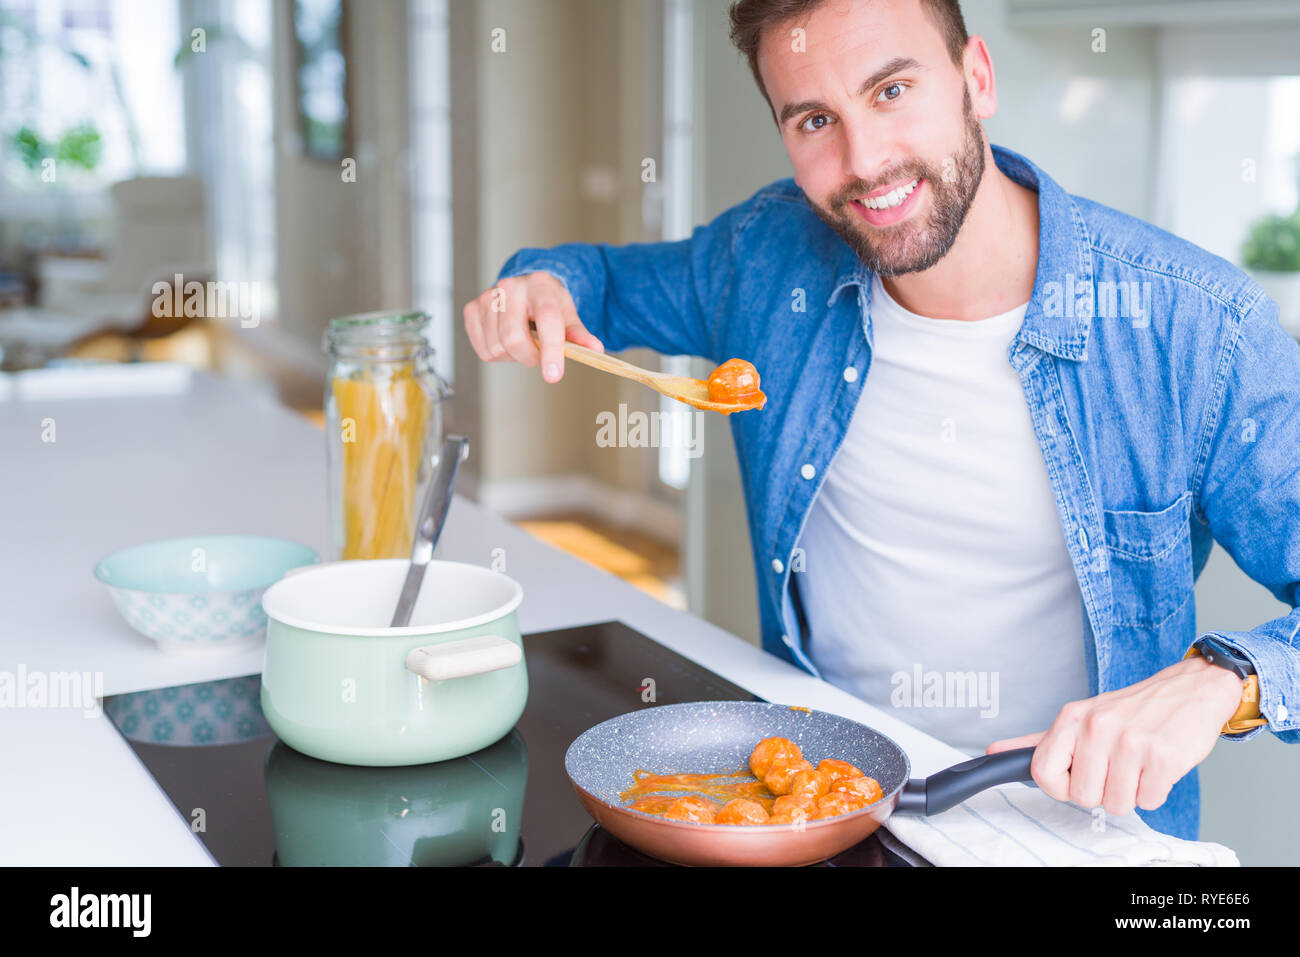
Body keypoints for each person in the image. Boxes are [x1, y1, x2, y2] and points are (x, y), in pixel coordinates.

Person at [461, 0, 1300, 841]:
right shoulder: (768, 255)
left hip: (1080, 831)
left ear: (976, 77)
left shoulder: (1198, 326)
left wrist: (1225, 680)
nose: (863, 161)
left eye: (892, 90)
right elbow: (595, 282)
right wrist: (539, 284)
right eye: (815, 119)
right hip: (822, 804)